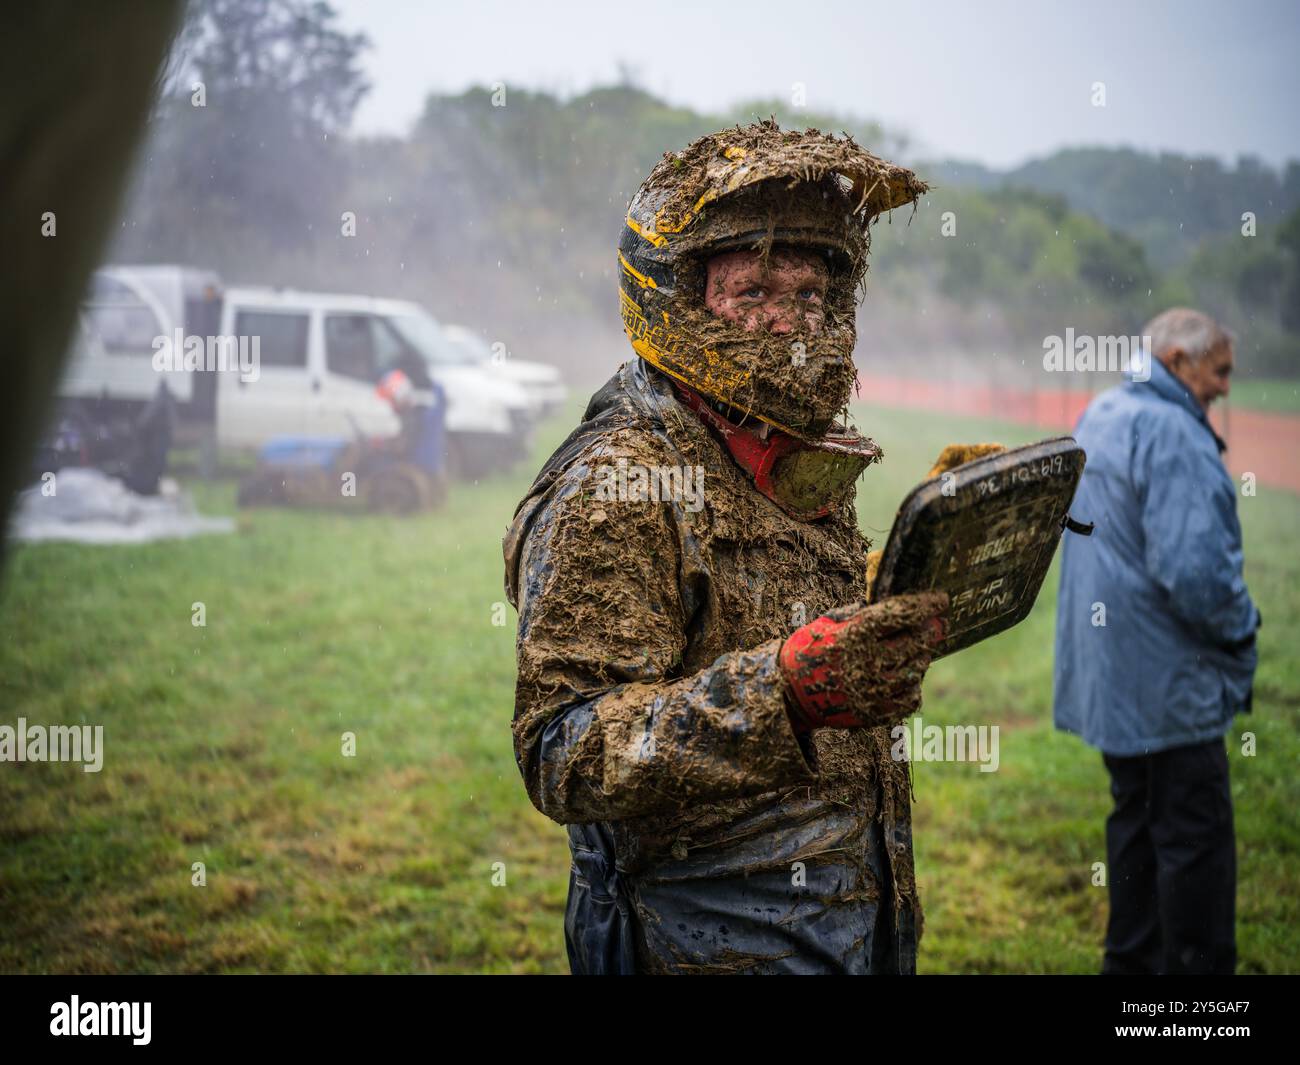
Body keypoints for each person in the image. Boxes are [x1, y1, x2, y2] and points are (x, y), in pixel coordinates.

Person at [503, 120, 977, 974]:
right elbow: (564, 747)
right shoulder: (626, 482)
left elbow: (753, 617)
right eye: (753, 292)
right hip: (692, 942)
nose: (791, 325)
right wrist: (783, 692)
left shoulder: (774, 444)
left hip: (836, 927)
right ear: (677, 296)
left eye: (808, 295)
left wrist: (909, 569)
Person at [1053, 307, 1260, 975]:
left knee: (1136, 832)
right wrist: (1242, 630)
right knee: (1194, 846)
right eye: (1218, 370)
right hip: (1170, 689)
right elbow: (1196, 573)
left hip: (1114, 683)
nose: (1226, 387)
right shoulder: (1173, 431)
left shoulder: (1103, 410)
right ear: (1177, 361)